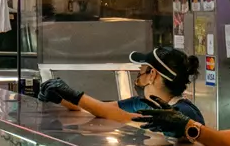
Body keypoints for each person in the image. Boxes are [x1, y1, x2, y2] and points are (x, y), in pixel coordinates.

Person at [36, 46, 204, 126]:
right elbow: (98, 108)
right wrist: (60, 98)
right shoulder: (142, 103)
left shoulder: (183, 112)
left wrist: (73, 95)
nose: (138, 72)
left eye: (142, 69)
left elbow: (121, 116)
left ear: (152, 75)